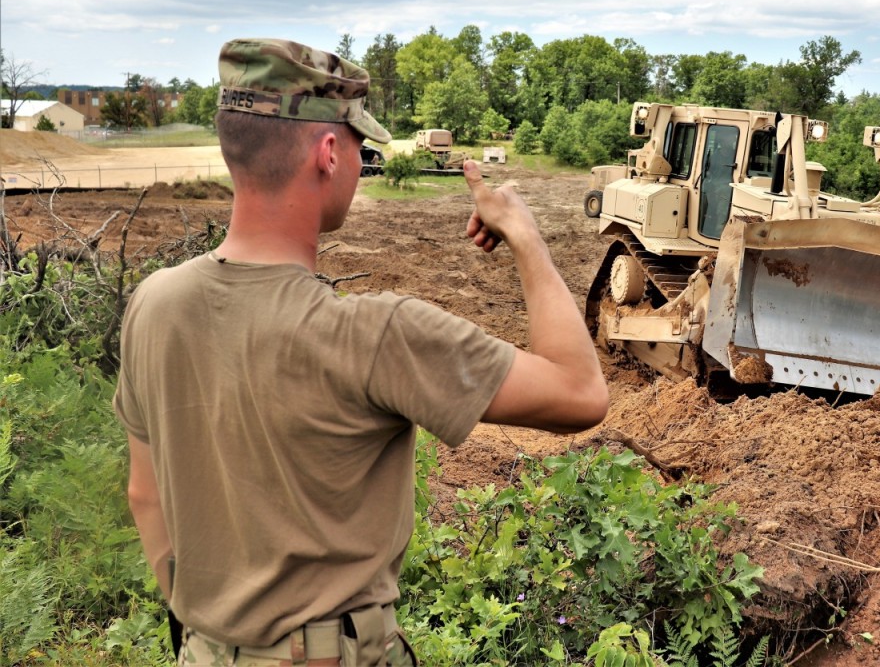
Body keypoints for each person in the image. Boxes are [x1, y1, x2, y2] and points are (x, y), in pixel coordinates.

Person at [113, 38, 609, 666]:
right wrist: (526, 237)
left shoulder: (154, 304)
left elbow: (145, 494)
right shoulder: (376, 333)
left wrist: (204, 632)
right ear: (327, 153)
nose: (360, 162)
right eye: (359, 147)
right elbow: (580, 391)